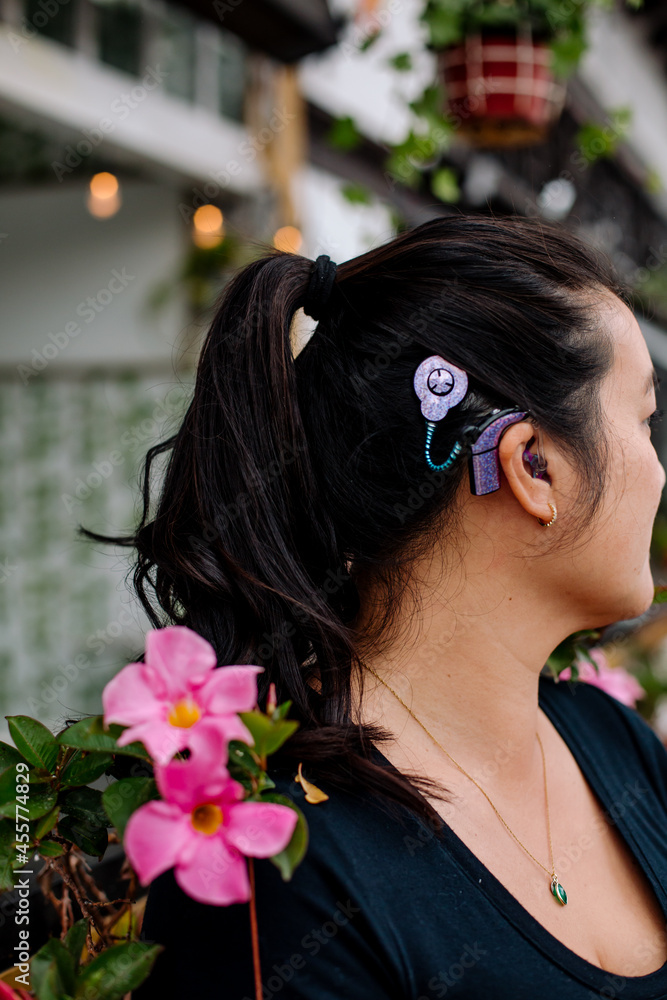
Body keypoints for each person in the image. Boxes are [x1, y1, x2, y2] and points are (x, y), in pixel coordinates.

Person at [116, 214, 667, 998]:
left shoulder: (610, 740)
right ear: (533, 467)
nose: (658, 471)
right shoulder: (295, 871)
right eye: (644, 421)